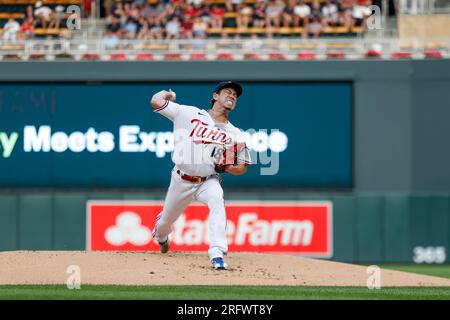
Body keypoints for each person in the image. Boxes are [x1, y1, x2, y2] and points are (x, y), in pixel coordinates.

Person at [149, 81, 251, 270]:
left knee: (217, 198)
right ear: (215, 96)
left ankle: (217, 253)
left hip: (207, 180)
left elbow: (242, 167)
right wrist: (168, 95)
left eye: (235, 95)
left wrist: (226, 167)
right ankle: (161, 235)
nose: (232, 96)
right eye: (227, 92)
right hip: (181, 178)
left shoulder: (235, 134)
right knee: (165, 223)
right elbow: (156, 101)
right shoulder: (189, 113)